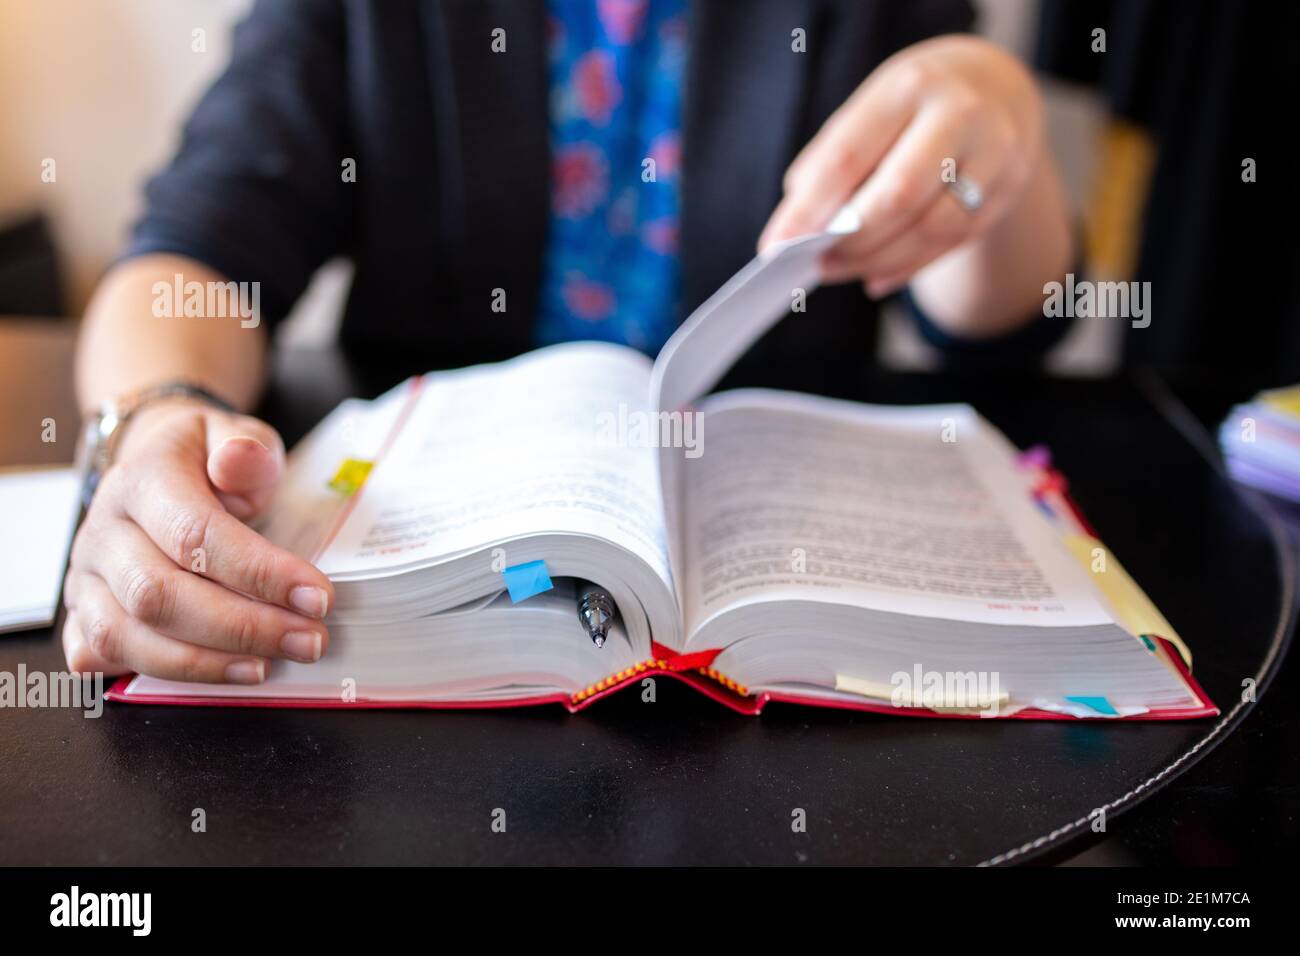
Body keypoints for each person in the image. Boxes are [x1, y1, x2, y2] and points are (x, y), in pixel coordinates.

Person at [63, 0, 1074, 683]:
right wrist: (154, 414)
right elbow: (193, 252)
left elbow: (994, 322)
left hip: (776, 623)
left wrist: (997, 125)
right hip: (427, 609)